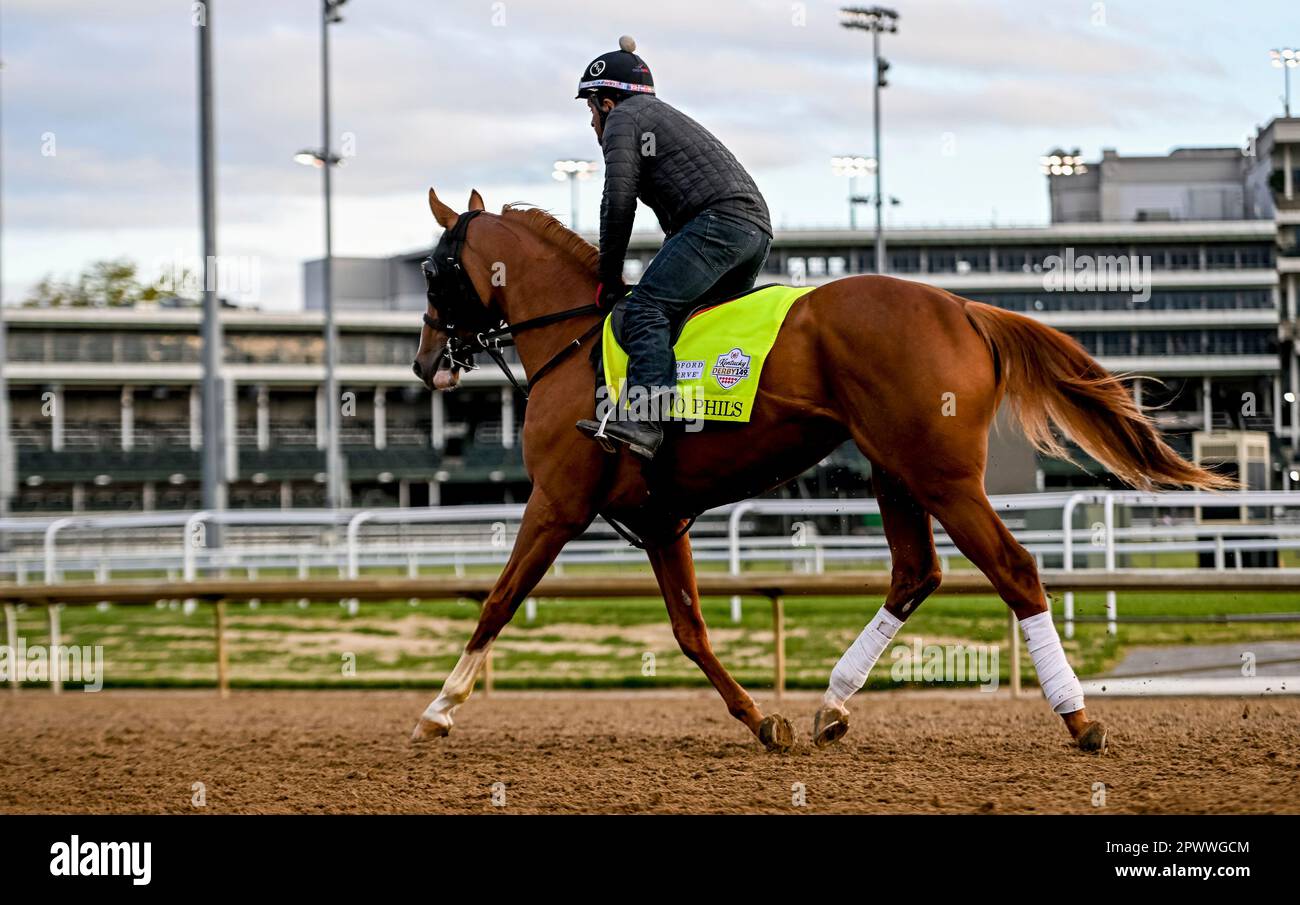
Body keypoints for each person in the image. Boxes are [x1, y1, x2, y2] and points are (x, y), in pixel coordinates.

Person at [575, 36, 772, 460]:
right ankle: (700, 426)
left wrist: (607, 277)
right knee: (694, 321)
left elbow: (618, 201)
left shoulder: (623, 120)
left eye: (590, 111)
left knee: (646, 308)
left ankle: (646, 420)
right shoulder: (659, 115)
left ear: (606, 103)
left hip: (721, 225)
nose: (592, 124)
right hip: (753, 232)